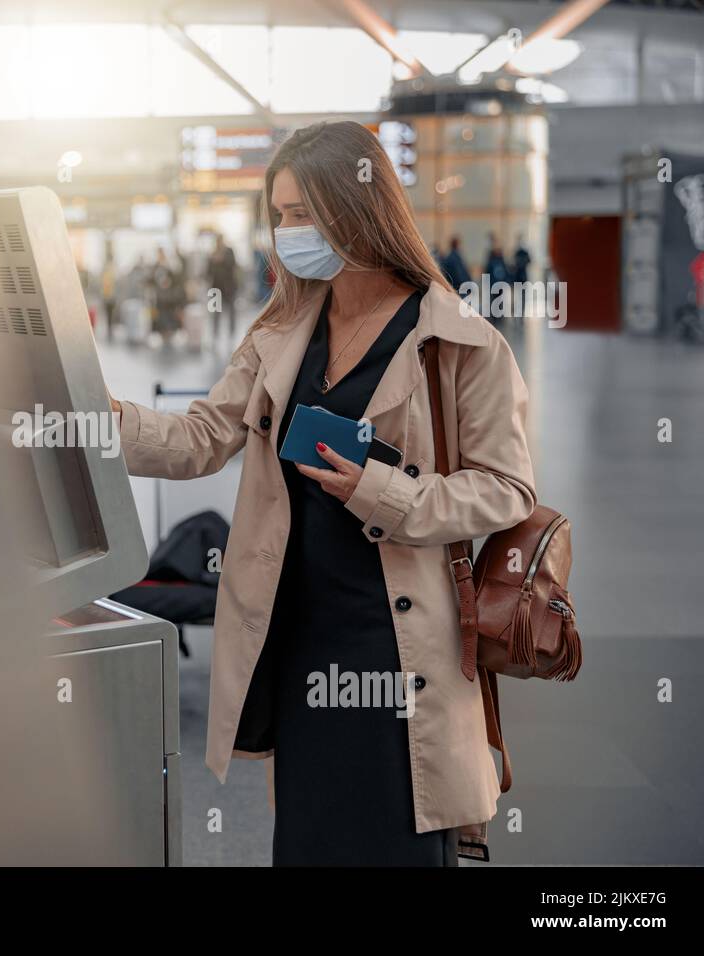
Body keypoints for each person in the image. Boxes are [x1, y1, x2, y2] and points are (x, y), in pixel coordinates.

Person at [107, 121, 535, 866]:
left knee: (397, 843)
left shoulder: (459, 342)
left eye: (305, 212)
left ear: (360, 207)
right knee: (308, 844)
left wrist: (381, 490)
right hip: (300, 640)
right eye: (279, 215)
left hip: (400, 649)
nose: (288, 231)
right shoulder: (282, 331)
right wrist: (94, 417)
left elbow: (506, 490)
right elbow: (199, 439)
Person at [207, 233, 239, 341]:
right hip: (216, 287)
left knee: (231, 310)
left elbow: (233, 265)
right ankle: (215, 332)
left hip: (229, 286)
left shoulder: (229, 251)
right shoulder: (212, 253)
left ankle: (232, 331)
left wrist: (222, 259)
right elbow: (208, 271)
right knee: (216, 311)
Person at [482, 232, 510, 324]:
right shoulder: (490, 256)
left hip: (499, 282)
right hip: (493, 281)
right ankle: (494, 315)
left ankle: (499, 315)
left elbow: (504, 269)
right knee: (493, 298)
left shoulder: (500, 258)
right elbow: (487, 269)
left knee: (500, 298)